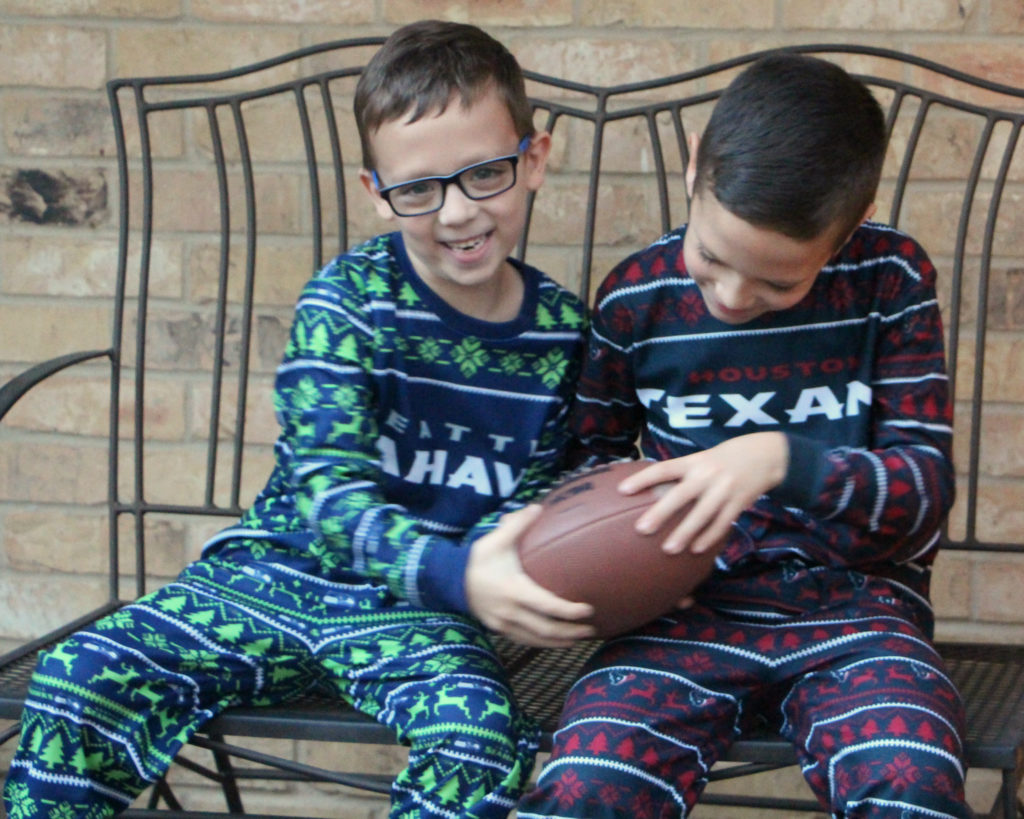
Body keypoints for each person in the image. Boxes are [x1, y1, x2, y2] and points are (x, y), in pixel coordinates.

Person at [3, 20, 596, 819]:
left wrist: (521, 561)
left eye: (484, 173)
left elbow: (547, 493)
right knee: (86, 672)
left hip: (421, 616)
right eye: (418, 188)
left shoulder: (562, 333)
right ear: (375, 192)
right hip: (274, 577)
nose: (456, 213)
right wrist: (458, 570)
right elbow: (325, 493)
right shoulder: (346, 301)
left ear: (534, 161)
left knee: (476, 733)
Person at [517, 54, 971, 818]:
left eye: (778, 283)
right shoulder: (638, 300)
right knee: (588, 781)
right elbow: (587, 457)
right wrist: (610, 546)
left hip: (856, 615)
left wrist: (778, 459)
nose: (732, 296)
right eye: (713, 259)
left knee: (911, 773)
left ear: (846, 230)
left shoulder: (889, 280)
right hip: (680, 611)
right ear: (694, 164)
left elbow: (923, 496)